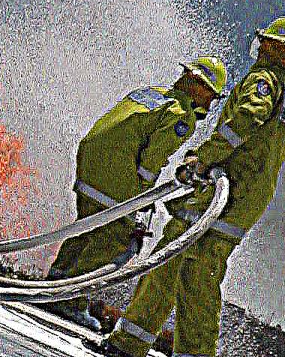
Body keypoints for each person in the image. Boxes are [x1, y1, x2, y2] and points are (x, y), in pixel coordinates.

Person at [98, 16, 285, 357]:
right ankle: (129, 344)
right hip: (237, 196)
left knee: (198, 273)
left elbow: (242, 122)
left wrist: (203, 158)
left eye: (267, 44)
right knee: (170, 260)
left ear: (279, 50)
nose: (260, 49)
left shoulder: (265, 83)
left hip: (226, 194)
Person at [44, 57, 227, 321]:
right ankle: (71, 299)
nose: (210, 104)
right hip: (116, 174)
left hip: (90, 163)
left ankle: (55, 281)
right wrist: (141, 202)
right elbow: (150, 164)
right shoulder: (182, 116)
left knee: (88, 227)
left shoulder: (150, 93)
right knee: (117, 237)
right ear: (198, 85)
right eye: (211, 95)